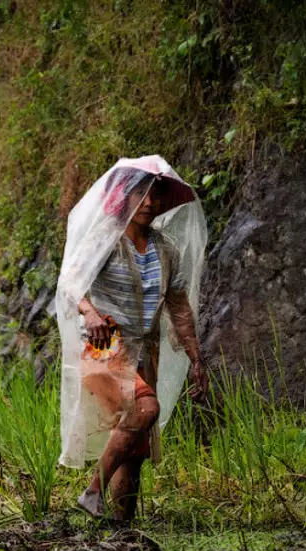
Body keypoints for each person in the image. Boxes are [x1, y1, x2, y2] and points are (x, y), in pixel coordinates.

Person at [54, 157, 208, 522]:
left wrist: (196, 359)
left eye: (155, 194)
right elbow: (70, 284)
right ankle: (92, 491)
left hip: (145, 351)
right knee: (146, 409)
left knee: (135, 450)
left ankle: (122, 530)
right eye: (140, 193)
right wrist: (89, 314)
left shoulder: (165, 249)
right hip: (106, 346)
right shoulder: (106, 238)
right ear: (125, 196)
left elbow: (179, 306)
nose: (149, 202)